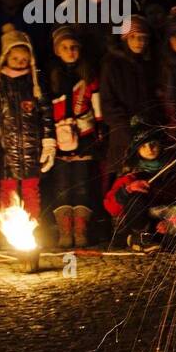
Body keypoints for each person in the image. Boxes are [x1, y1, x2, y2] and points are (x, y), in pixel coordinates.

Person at [0, 24, 55, 223]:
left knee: (31, 190)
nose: (20, 63)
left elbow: (46, 113)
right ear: (5, 57)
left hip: (31, 149)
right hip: (5, 151)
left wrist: (48, 142)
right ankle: (9, 232)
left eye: (24, 59)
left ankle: (31, 228)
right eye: (15, 59)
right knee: (7, 191)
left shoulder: (35, 82)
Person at [46, 26, 102, 248]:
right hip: (60, 139)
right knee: (61, 186)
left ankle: (80, 231)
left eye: (74, 47)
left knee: (81, 185)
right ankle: (64, 230)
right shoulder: (51, 75)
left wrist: (99, 131)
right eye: (65, 48)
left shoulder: (88, 75)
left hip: (84, 137)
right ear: (57, 50)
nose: (70, 51)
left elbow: (97, 107)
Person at [104, 120, 176, 251]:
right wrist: (128, 190)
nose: (149, 149)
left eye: (153, 144)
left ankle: (173, 240)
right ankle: (140, 238)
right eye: (143, 146)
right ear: (137, 150)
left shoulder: (173, 170)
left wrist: (173, 224)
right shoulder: (130, 174)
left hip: (167, 221)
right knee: (136, 197)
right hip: (140, 224)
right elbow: (111, 207)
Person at [99, 15, 156, 175]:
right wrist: (127, 126)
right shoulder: (112, 64)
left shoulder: (146, 65)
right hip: (122, 136)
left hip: (146, 136)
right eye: (134, 37)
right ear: (125, 38)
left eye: (143, 38)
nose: (140, 42)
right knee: (124, 181)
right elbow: (107, 102)